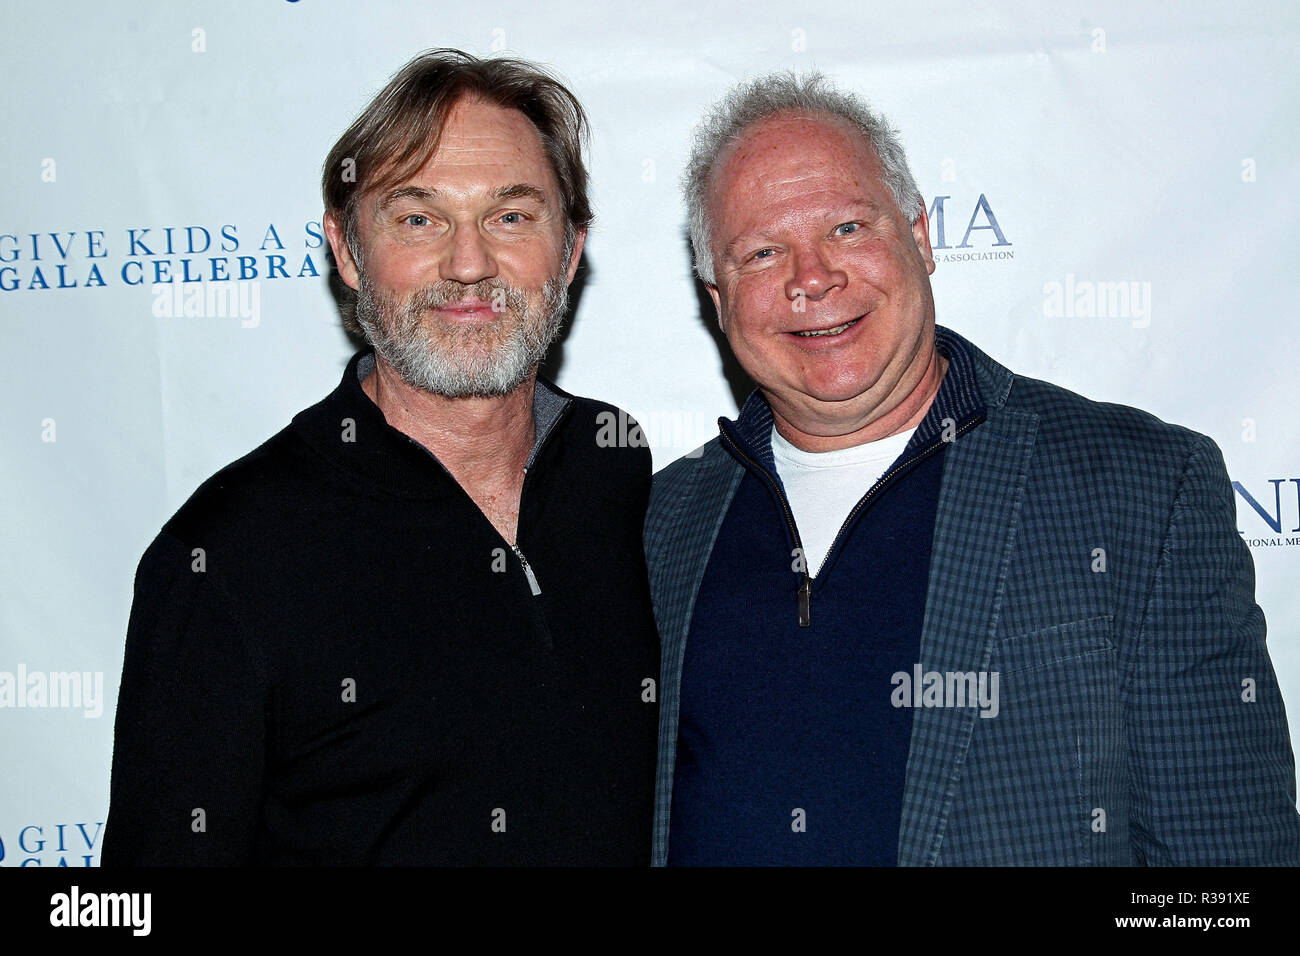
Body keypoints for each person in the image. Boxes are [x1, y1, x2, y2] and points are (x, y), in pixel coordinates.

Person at [646, 71, 1300, 865]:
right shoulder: (659, 523)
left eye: (849, 228)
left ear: (920, 238)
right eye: (762, 251)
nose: (812, 277)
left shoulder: (1139, 489)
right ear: (718, 298)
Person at [103, 49, 659, 865]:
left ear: (571, 250)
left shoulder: (618, 471)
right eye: (419, 218)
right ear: (349, 250)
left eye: (511, 216)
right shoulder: (227, 555)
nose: (468, 265)